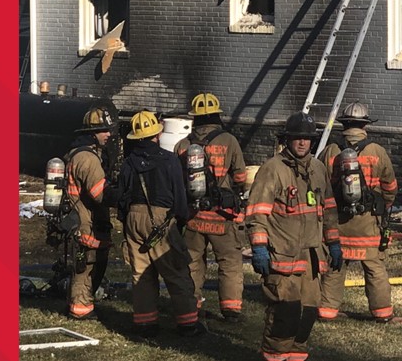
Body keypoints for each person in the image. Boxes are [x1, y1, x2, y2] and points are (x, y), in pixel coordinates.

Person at [247, 112, 342, 361]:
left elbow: (329, 210)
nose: (302, 143)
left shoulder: (318, 169)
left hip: (311, 258)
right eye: (296, 138)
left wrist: (334, 243)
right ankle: (273, 357)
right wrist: (259, 247)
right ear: (286, 140)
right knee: (284, 316)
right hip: (281, 256)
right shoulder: (272, 169)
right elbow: (257, 213)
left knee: (307, 316)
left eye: (307, 138)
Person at [117, 110, 205, 336]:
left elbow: (122, 196)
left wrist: (127, 221)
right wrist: (182, 217)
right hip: (161, 219)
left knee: (142, 274)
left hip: (133, 219)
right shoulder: (168, 161)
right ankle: (188, 324)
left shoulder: (128, 163)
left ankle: (145, 324)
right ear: (156, 135)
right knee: (175, 271)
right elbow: (179, 195)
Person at [318, 102, 398, 324]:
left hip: (338, 222)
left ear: (344, 124)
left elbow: (320, 184)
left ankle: (327, 311)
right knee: (374, 268)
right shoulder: (377, 151)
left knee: (335, 266)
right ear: (365, 125)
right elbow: (390, 186)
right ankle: (382, 312)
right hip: (368, 222)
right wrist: (384, 207)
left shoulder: (331, 151)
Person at [175, 92, 249, 322]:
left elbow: (177, 179)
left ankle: (192, 305)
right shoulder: (229, 141)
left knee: (193, 262)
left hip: (194, 216)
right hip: (221, 216)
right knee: (229, 262)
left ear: (194, 119)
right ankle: (231, 309)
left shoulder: (183, 144)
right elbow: (240, 175)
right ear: (217, 116)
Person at [63, 107, 116, 320]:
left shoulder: (79, 153)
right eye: (104, 130)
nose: (109, 134)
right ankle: (80, 309)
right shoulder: (88, 158)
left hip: (81, 217)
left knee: (89, 262)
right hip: (87, 219)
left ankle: (82, 302)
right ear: (92, 133)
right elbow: (100, 194)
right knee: (86, 265)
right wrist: (121, 195)